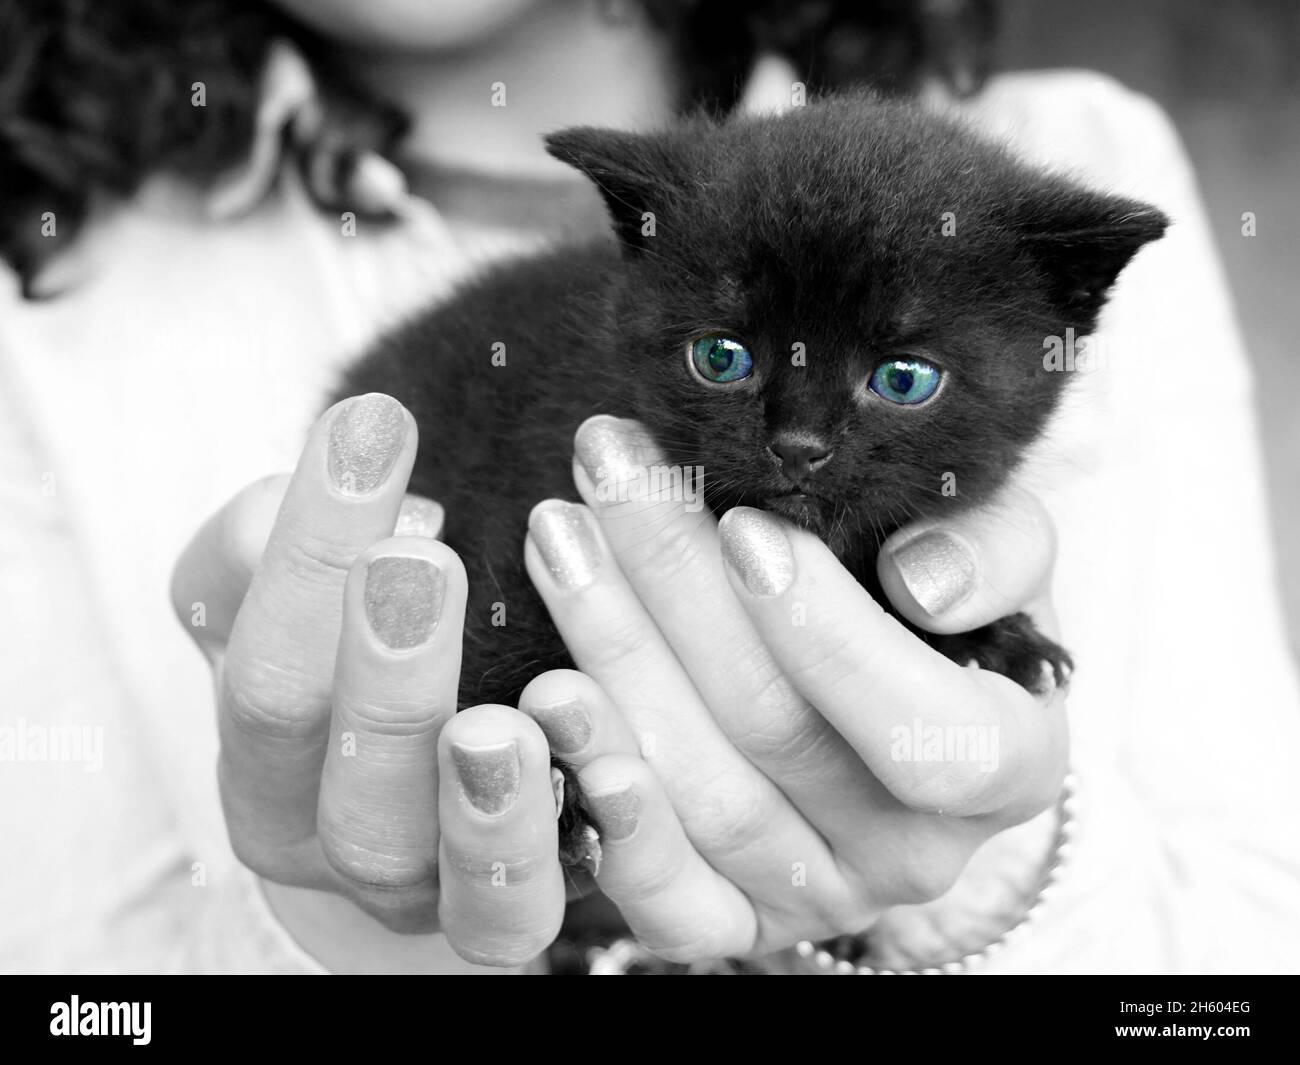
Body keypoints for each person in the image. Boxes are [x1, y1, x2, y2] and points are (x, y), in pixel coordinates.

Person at [2, 0, 1297, 975]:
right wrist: (343, 930)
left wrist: (985, 865)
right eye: (726, 361)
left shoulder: (1068, 162)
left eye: (898, 382)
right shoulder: (50, 297)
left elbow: (1243, 955)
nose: (798, 443)